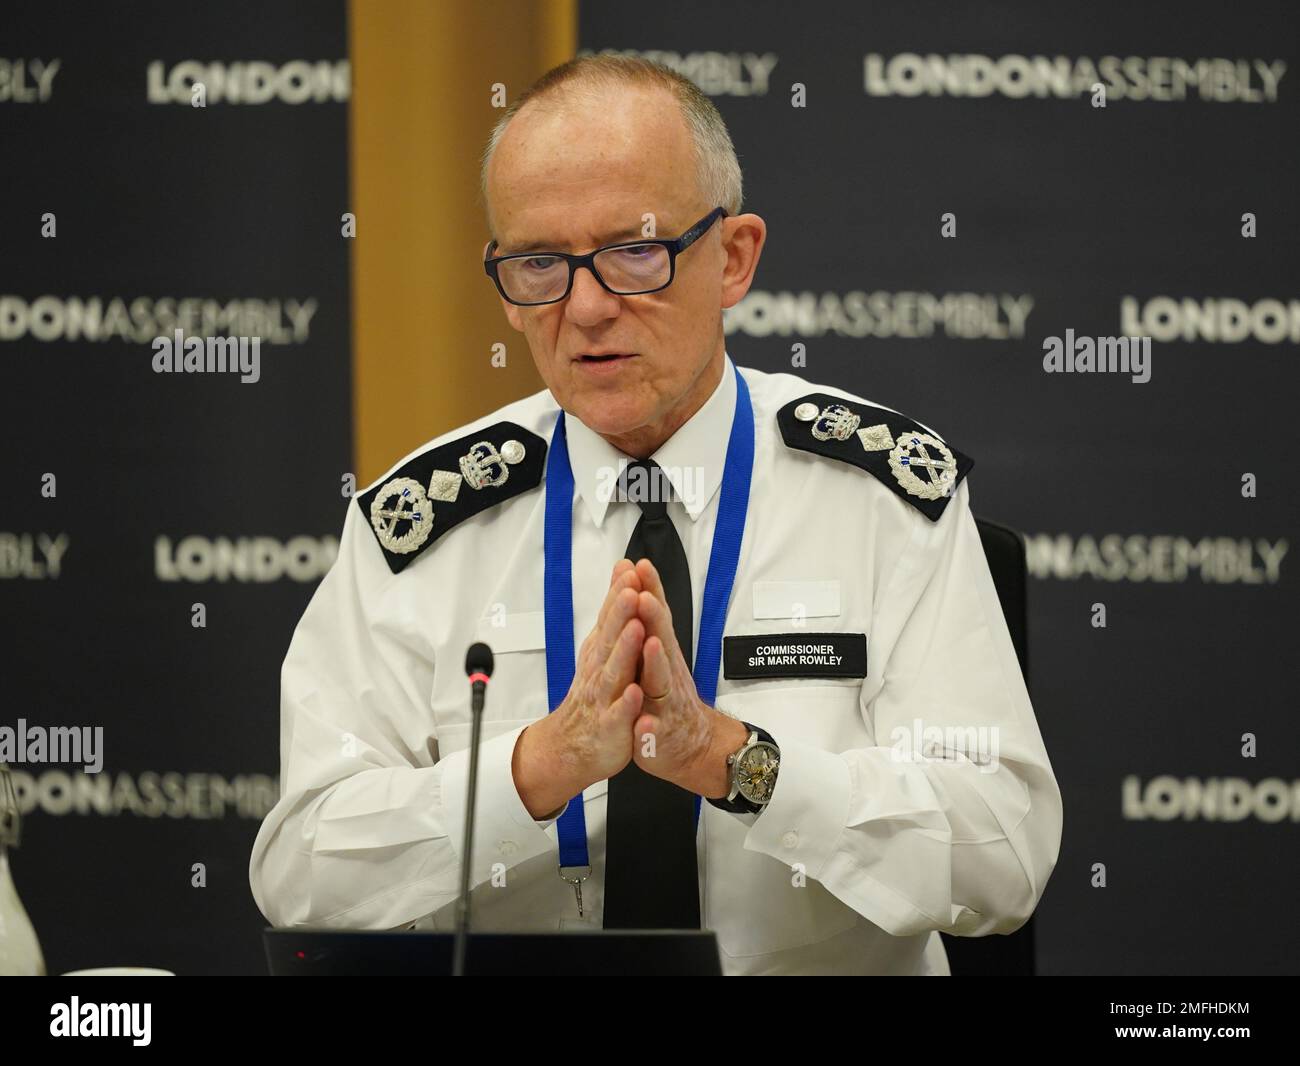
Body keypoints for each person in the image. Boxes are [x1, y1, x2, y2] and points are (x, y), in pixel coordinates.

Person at [248, 54, 1062, 976]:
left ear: (733, 258)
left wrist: (737, 764)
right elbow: (300, 872)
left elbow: (1003, 856)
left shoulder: (881, 497)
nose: (586, 308)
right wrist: (536, 772)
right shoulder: (422, 526)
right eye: (540, 264)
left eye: (634, 252)